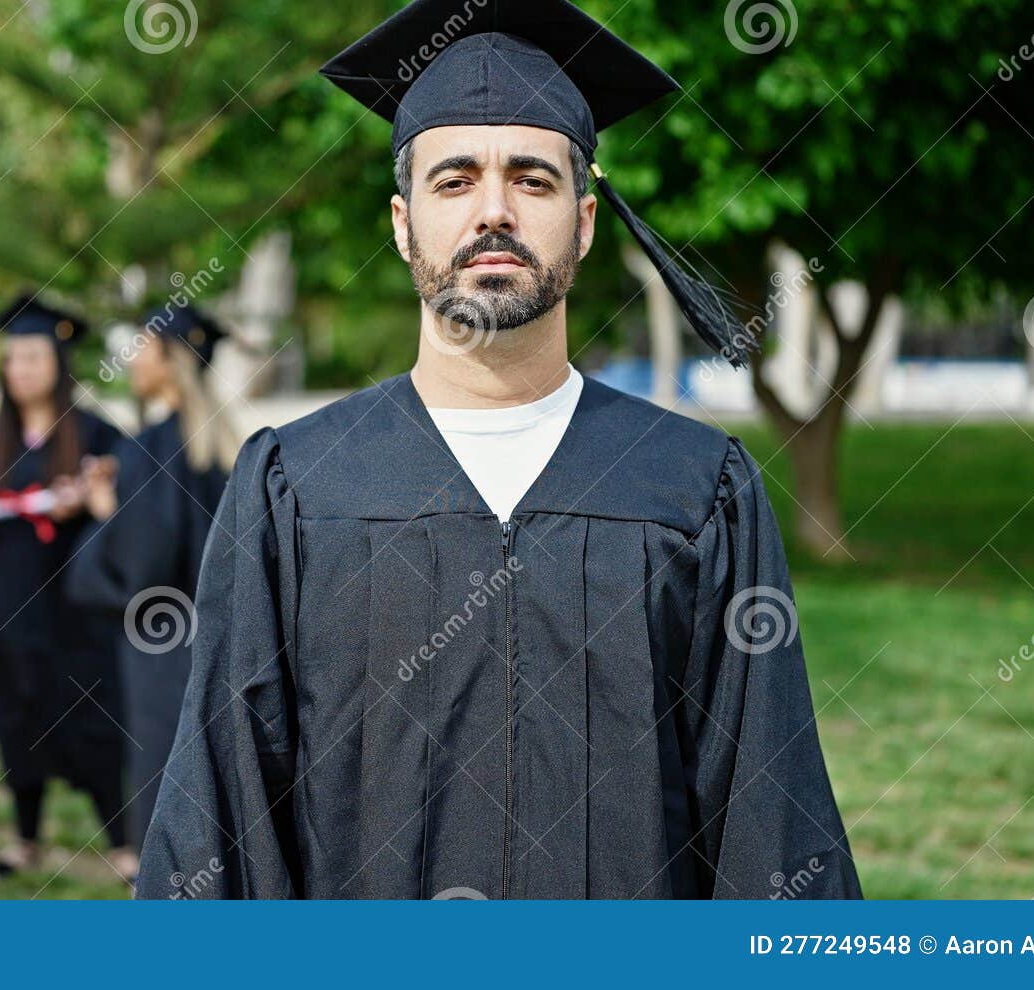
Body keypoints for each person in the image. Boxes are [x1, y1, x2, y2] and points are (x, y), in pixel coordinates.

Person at [137, 0, 861, 899]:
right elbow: (225, 799)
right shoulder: (297, 483)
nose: (493, 211)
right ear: (403, 225)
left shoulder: (695, 490)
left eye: (531, 179)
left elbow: (768, 811)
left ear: (585, 220)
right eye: (454, 180)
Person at [0, 295, 135, 883]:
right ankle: (24, 841)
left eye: (32, 356)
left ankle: (125, 845)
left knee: (91, 719)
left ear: (58, 362)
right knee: (15, 720)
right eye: (11, 358)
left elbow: (132, 511)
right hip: (3, 613)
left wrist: (97, 504)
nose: (19, 368)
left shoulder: (97, 434)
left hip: (73, 614)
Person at [68, 302, 237, 859]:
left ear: (169, 359)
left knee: (162, 756)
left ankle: (160, 870)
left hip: (159, 640)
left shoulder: (146, 450)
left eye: (141, 346)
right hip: (227, 632)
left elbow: (141, 564)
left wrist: (104, 512)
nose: (132, 359)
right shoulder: (231, 445)